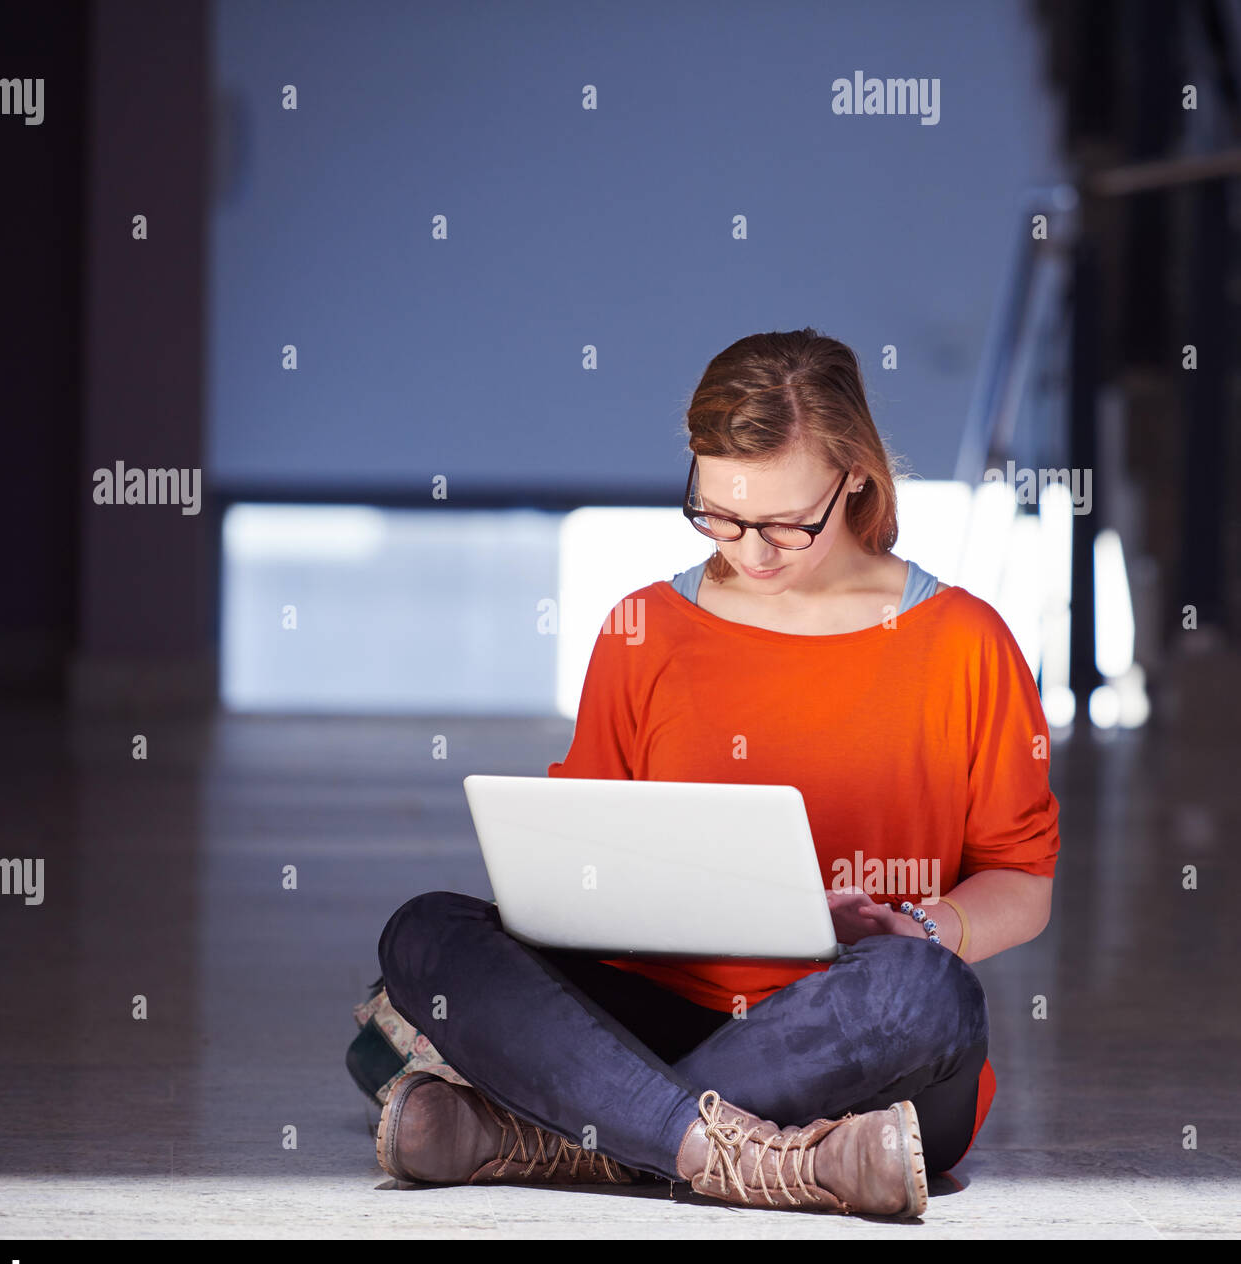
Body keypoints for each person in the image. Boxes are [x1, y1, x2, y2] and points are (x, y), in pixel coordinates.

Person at [375, 327, 1060, 1216]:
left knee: (928, 996)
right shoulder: (644, 630)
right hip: (658, 1015)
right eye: (721, 517)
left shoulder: (966, 642)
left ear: (855, 475)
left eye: (785, 523)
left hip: (852, 1037)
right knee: (427, 934)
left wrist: (922, 930)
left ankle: (563, 1136)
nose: (753, 552)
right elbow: (576, 866)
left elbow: (1022, 879)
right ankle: (747, 1156)